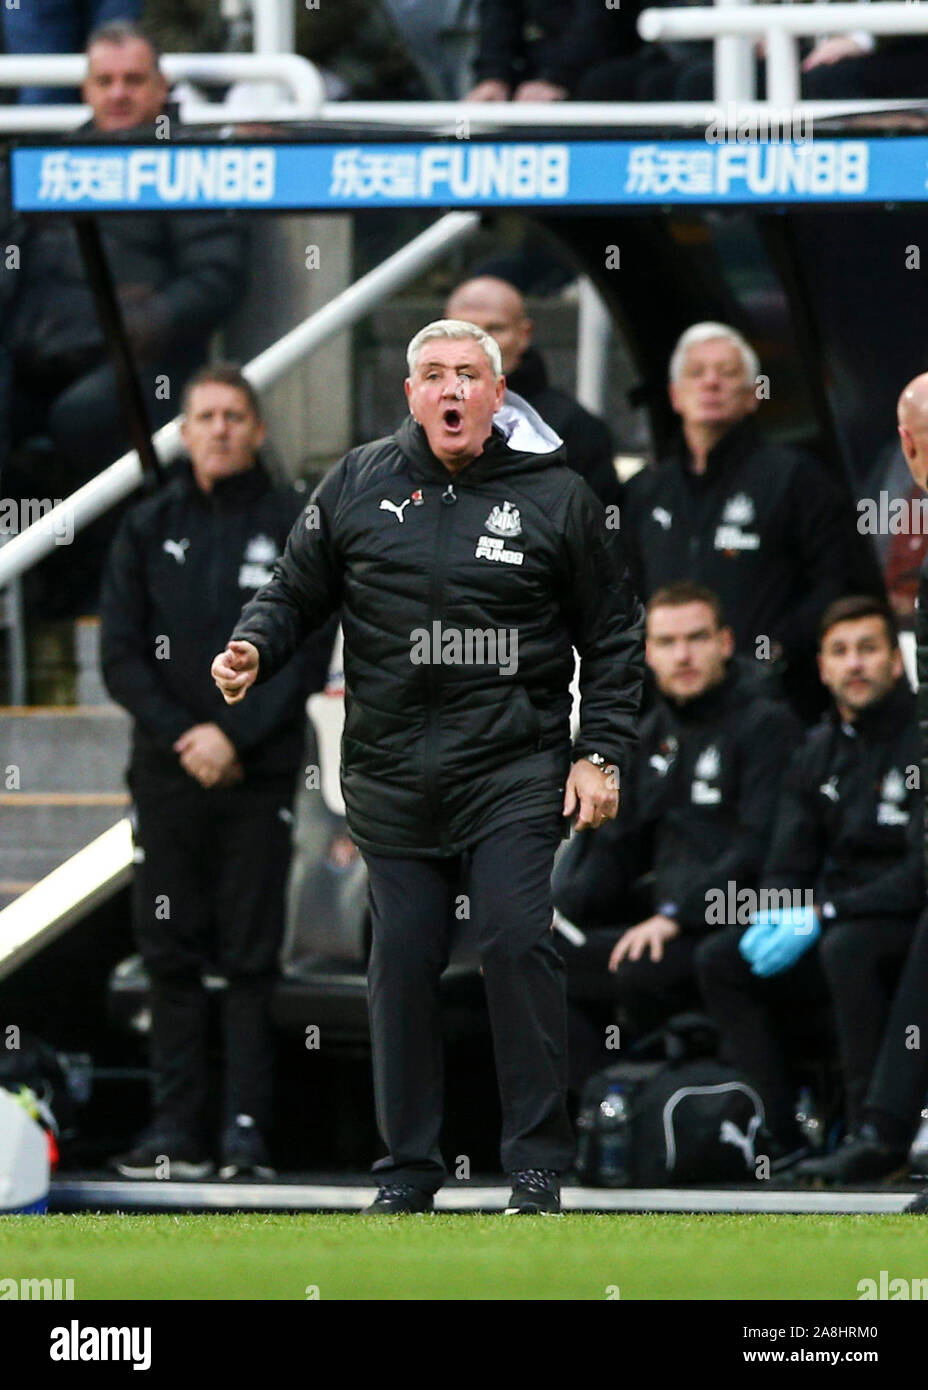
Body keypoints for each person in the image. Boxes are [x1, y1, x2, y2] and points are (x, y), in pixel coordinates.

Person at [212, 319, 645, 1215]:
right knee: (401, 958)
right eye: (433, 376)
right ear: (410, 393)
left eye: (468, 376)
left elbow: (611, 638)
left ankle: (534, 1168)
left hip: (514, 765)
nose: (451, 391)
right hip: (393, 771)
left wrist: (599, 753)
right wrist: (253, 644)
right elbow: (295, 587)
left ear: (497, 393)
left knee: (516, 939)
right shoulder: (359, 480)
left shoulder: (559, 496)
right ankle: (409, 1171)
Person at [102, 365, 332, 1181]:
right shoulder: (146, 525)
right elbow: (121, 659)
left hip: (259, 775)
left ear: (259, 430)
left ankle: (244, 1134)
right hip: (166, 777)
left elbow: (306, 653)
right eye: (207, 416)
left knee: (248, 958)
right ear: (186, 430)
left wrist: (233, 738)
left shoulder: (291, 522)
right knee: (168, 952)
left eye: (237, 415)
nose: (223, 429)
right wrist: (190, 736)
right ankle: (174, 1132)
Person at [1, 20, 247, 612]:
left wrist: (138, 324)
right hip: (32, 353)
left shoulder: (187, 165)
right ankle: (28, 593)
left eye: (134, 80)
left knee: (82, 418)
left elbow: (217, 279)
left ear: (161, 87)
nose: (118, 94)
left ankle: (95, 584)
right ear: (84, 89)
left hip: (141, 359)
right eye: (104, 80)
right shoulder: (42, 164)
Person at [695, 596, 924, 1170]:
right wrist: (778, 906)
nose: (855, 665)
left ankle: (871, 1134)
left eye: (869, 649)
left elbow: (921, 872)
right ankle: (778, 1136)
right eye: (840, 652)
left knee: (849, 949)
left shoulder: (919, 740)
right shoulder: (815, 751)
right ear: (821, 668)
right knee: (720, 958)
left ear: (896, 661)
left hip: (900, 913)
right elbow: (786, 863)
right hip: (828, 913)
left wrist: (827, 912)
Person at [552, 582, 801, 1089]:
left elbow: (759, 847)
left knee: (642, 971)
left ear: (726, 642)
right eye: (667, 643)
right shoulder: (648, 735)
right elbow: (619, 849)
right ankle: (614, 1115)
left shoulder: (767, 724)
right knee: (533, 966)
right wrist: (552, 910)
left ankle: (686, 1111)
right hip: (662, 927)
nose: (683, 655)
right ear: (648, 653)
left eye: (697, 638)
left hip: (736, 920)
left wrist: (674, 916)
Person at [621, 322, 866, 719]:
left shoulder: (797, 480)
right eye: (697, 372)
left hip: (773, 706)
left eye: (728, 373)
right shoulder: (645, 491)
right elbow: (624, 596)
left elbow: (835, 585)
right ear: (674, 395)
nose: (712, 383)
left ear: (755, 396)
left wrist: (776, 651)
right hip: (665, 713)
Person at [445, 276, 620, 507]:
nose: (480, 344)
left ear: (524, 334)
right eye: (465, 331)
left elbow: (599, 532)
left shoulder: (577, 429)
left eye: (495, 329)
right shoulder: (422, 417)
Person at [466, 0, 641, 103]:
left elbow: (601, 23)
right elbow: (499, 17)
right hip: (532, 76)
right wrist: (493, 77)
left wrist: (557, 78)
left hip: (609, 72)